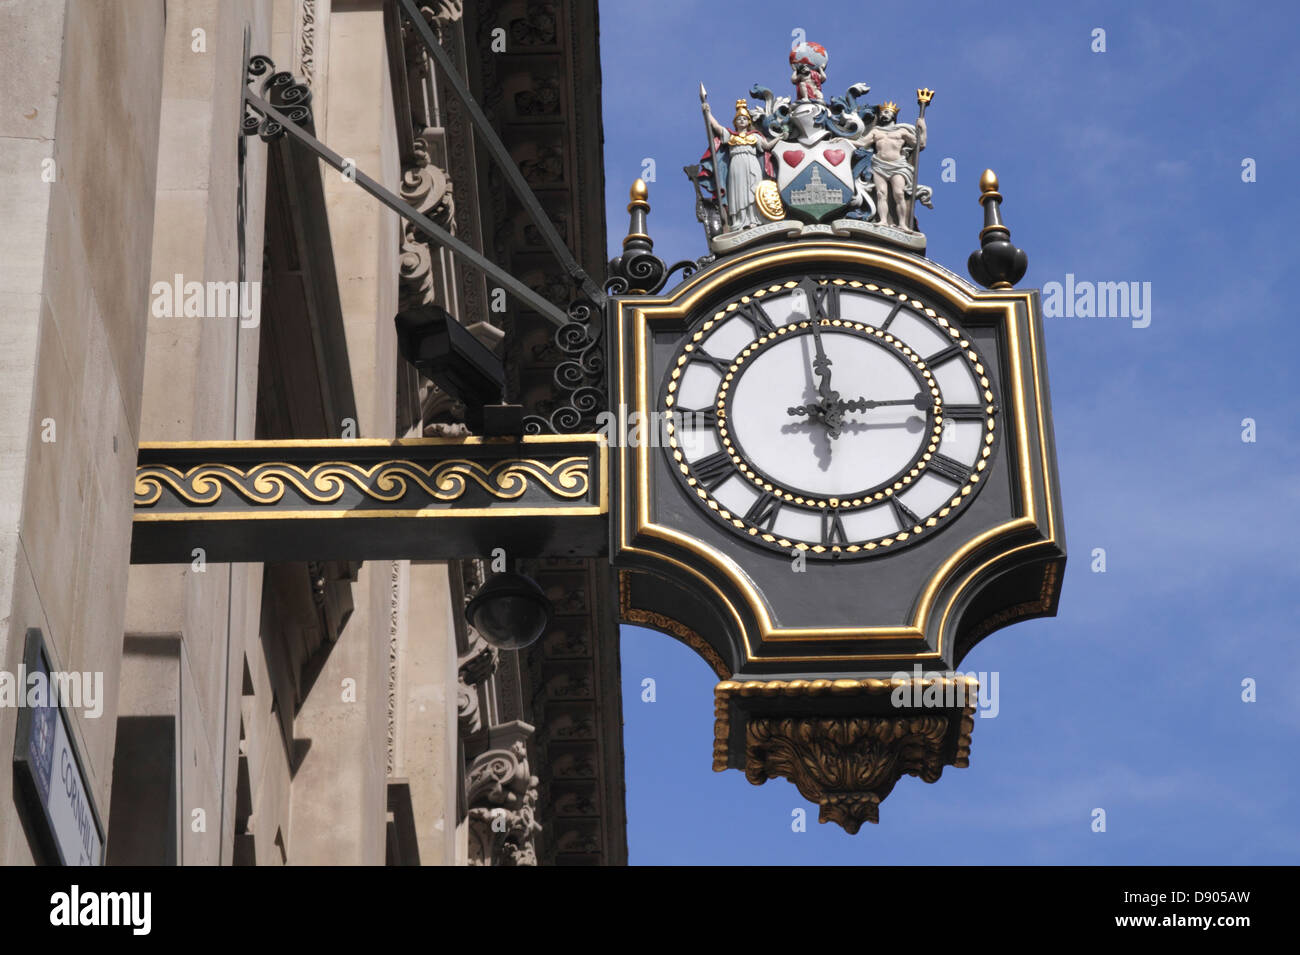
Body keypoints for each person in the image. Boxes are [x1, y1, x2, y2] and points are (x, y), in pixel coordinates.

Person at [853, 102, 932, 231]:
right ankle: (883, 220)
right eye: (883, 112)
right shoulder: (876, 131)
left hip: (898, 165)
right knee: (881, 193)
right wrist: (844, 140)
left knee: (899, 194)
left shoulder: (902, 131)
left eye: (887, 112)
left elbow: (920, 144)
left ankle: (902, 224)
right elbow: (862, 143)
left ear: (893, 115)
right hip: (879, 164)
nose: (884, 115)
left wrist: (923, 127)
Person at [706, 100, 777, 231]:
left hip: (752, 163)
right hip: (737, 164)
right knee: (739, 191)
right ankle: (740, 220)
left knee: (753, 190)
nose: (742, 121)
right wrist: (707, 112)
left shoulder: (755, 136)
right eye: (739, 119)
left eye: (745, 118)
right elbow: (716, 127)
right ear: (735, 122)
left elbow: (766, 146)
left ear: (749, 122)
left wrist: (780, 137)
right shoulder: (731, 136)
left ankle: (754, 219)